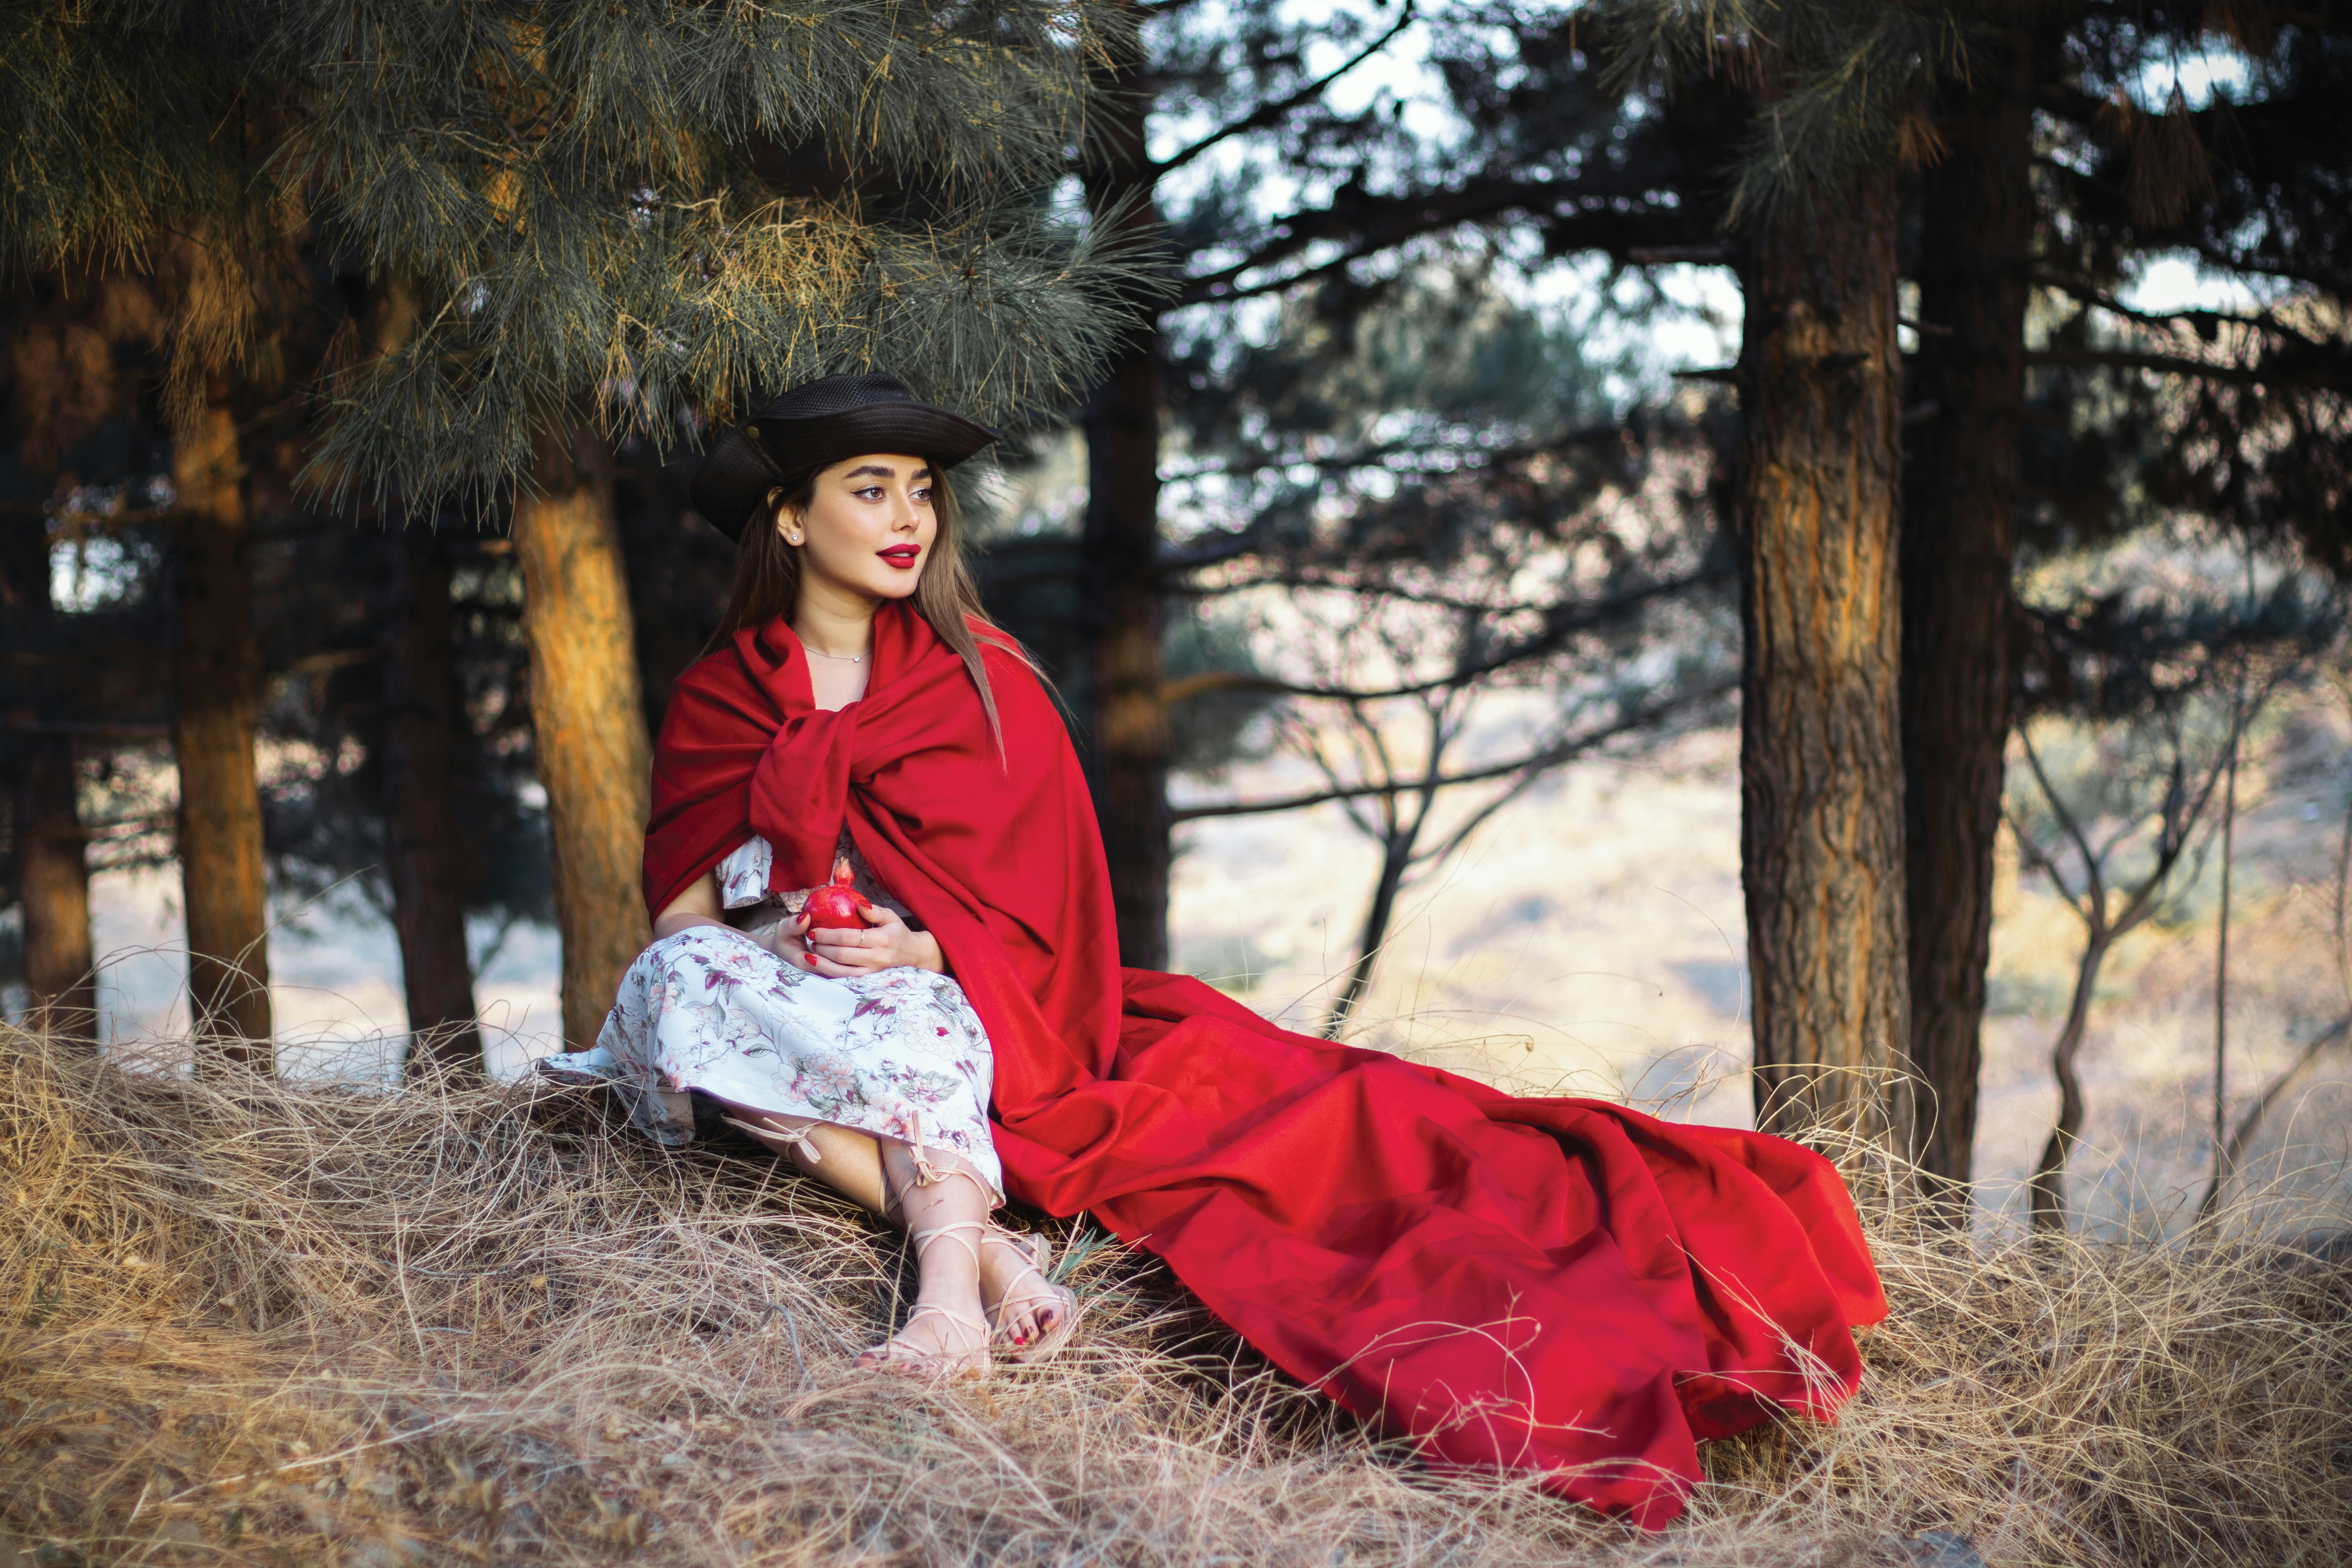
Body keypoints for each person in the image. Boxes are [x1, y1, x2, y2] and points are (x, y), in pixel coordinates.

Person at [552, 372, 1890, 1529]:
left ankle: (951, 1291)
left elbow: (1047, 920)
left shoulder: (981, 680)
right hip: (788, 1004)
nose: (908, 519)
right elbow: (682, 923)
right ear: (791, 516)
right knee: (671, 994)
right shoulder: (725, 697)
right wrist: (783, 939)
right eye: (869, 489)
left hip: (958, 1017)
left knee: (938, 1042)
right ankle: (1005, 1262)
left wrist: (925, 948)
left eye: (920, 491)